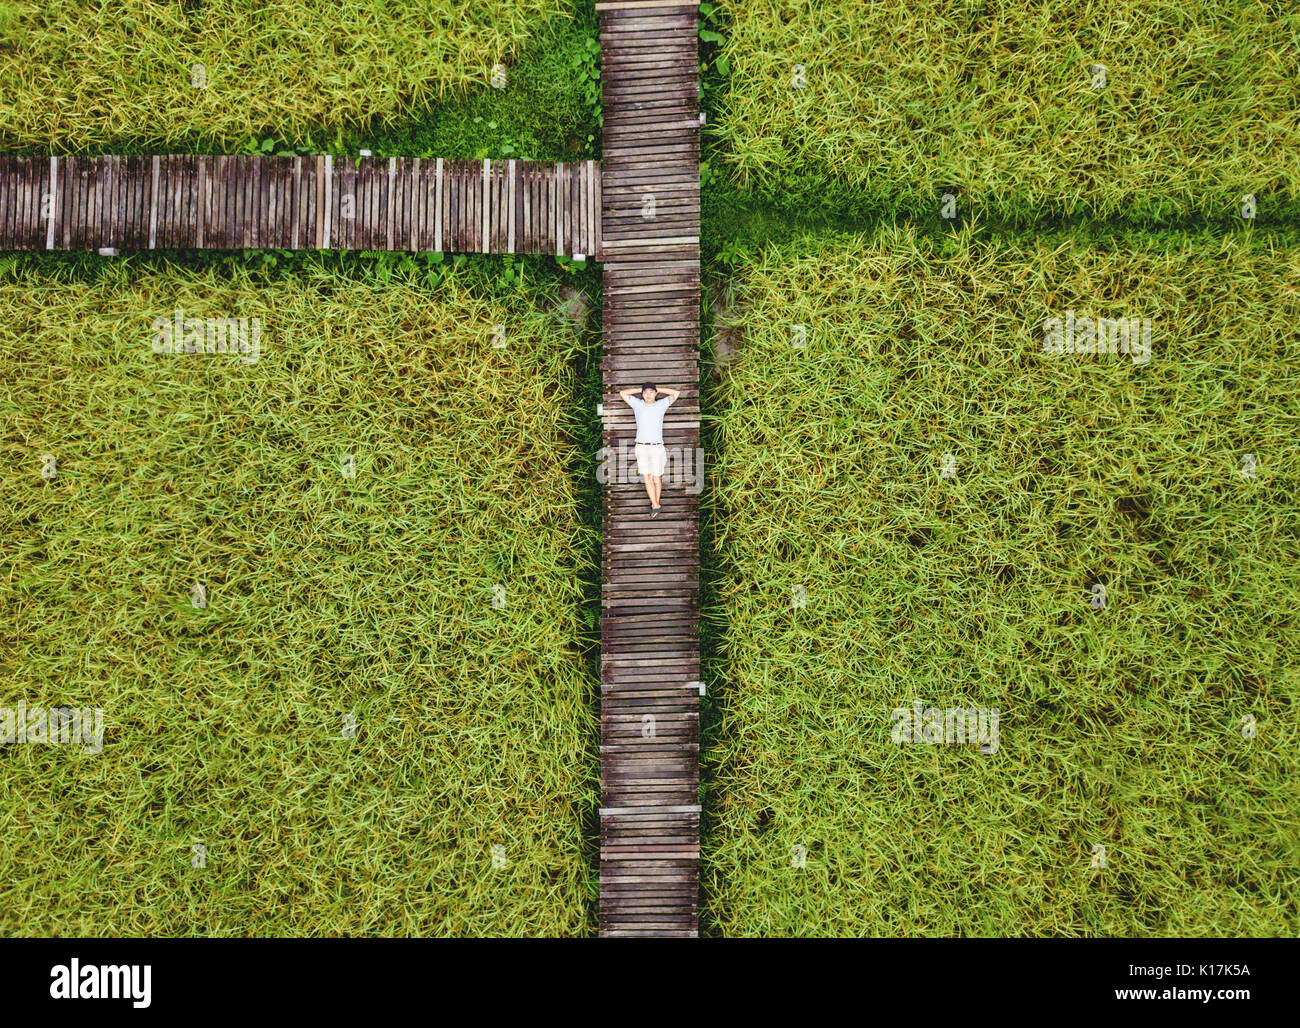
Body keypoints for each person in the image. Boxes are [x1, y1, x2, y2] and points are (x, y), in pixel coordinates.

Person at [618, 382, 680, 517]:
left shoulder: (661, 404)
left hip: (657, 447)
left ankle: (655, 505)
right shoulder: (638, 404)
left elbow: (676, 393)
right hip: (641, 447)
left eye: (651, 392)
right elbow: (623, 393)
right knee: (647, 478)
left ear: (656, 393)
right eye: (646, 392)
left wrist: (658, 390)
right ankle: (655, 504)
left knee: (657, 478)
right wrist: (640, 389)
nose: (648, 394)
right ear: (642, 394)